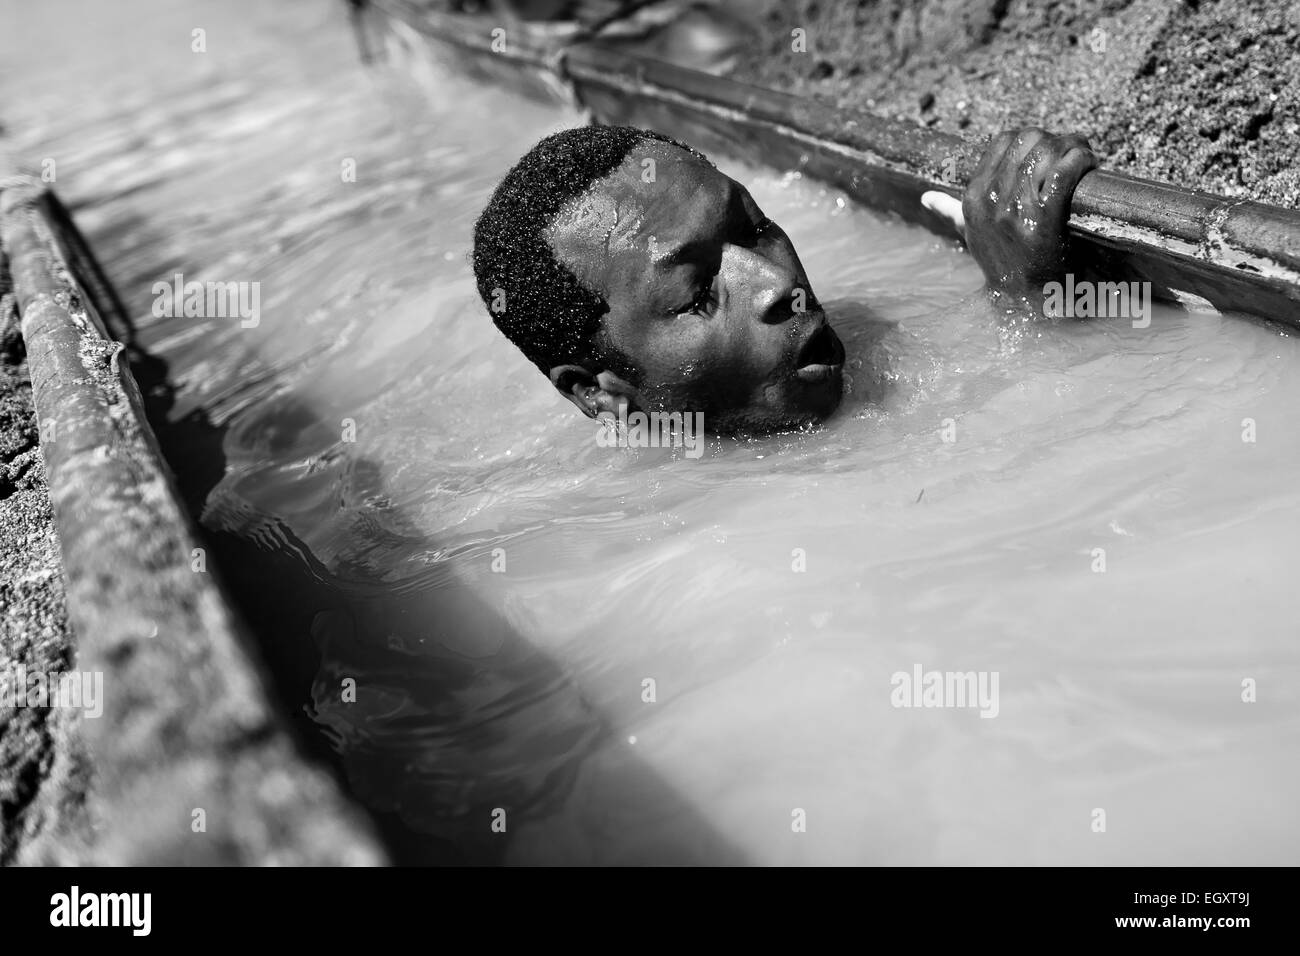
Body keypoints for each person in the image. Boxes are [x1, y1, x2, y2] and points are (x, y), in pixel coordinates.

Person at [472, 124, 1096, 433]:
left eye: (753, 226)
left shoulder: (883, 334)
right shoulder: (684, 561)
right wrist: (1035, 304)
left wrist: (1027, 298)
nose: (776, 284)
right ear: (602, 395)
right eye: (697, 296)